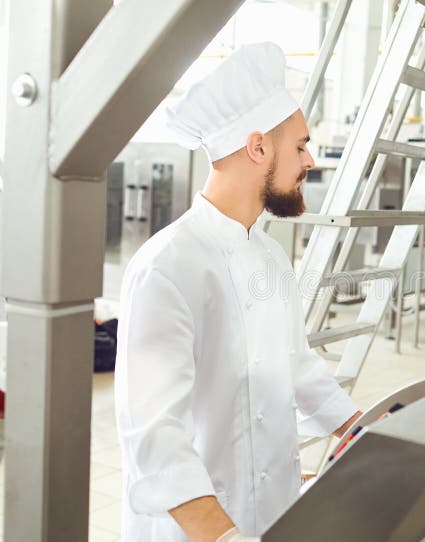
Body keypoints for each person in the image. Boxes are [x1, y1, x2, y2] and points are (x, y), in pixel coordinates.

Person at [115, 42, 361, 542]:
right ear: (257, 148)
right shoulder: (166, 268)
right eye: (300, 145)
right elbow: (154, 434)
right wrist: (224, 537)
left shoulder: (270, 256)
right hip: (199, 530)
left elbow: (296, 365)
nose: (310, 159)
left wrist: (366, 431)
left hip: (271, 515)